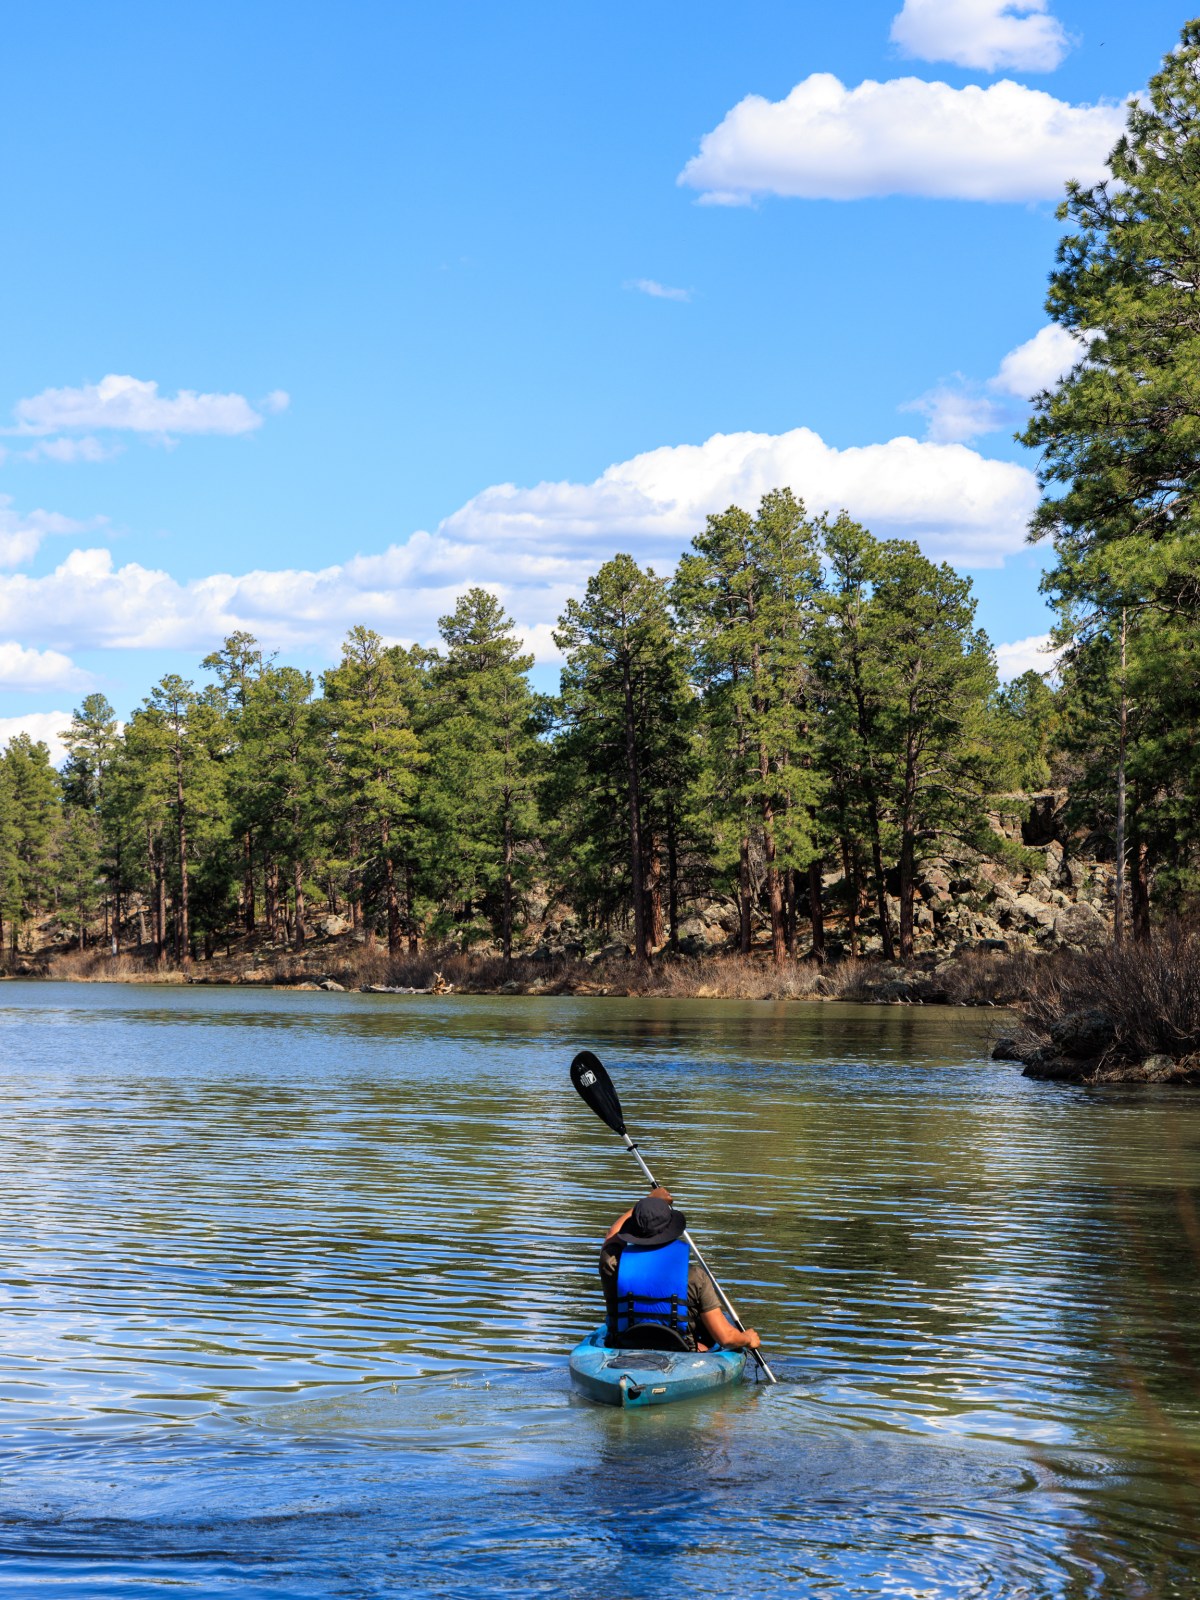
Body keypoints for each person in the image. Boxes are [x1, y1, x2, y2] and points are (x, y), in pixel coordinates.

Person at [599, 1186, 761, 1353]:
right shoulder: (695, 1277)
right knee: (707, 1333)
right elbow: (726, 1338)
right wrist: (748, 1339)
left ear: (632, 1231)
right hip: (680, 1351)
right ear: (671, 1230)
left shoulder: (611, 1266)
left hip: (622, 1346)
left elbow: (613, 1234)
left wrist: (648, 1203)